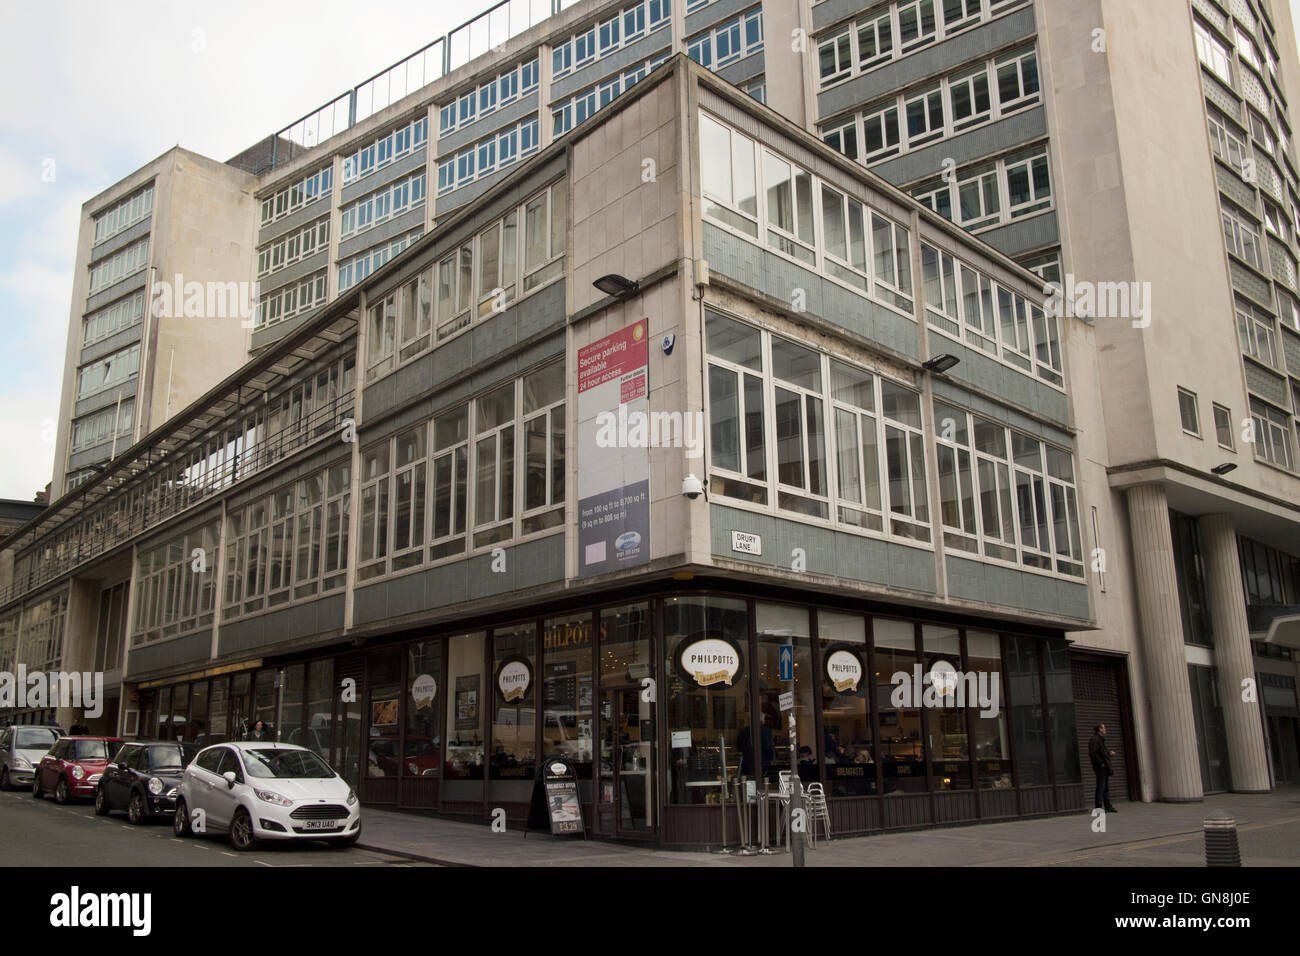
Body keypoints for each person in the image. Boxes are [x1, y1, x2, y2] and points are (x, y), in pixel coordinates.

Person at [1088, 723, 1117, 812]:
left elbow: (1102, 752)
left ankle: (1108, 806)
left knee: (1105, 787)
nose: (1105, 729)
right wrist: (1101, 763)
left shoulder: (1100, 740)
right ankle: (1098, 807)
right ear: (1100, 729)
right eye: (1104, 728)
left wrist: (1109, 753)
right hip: (1101, 767)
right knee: (1101, 786)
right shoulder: (1095, 740)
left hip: (1104, 766)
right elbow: (1093, 753)